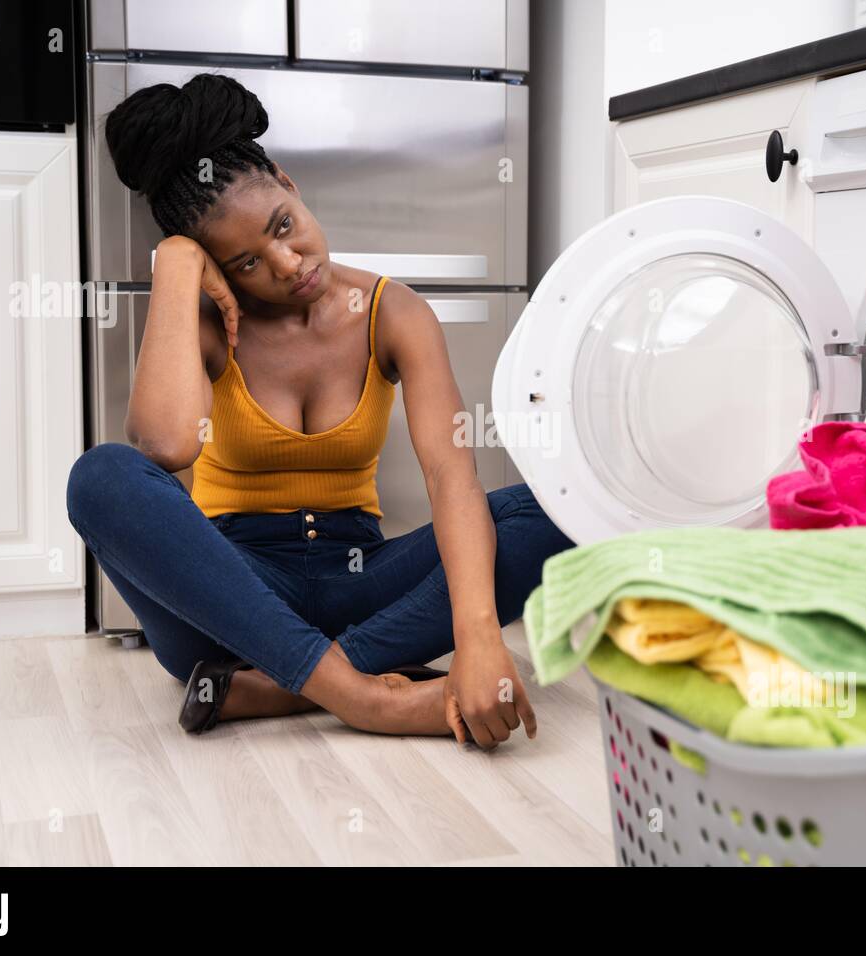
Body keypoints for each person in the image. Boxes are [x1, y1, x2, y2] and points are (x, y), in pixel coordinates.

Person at [65, 74, 573, 749]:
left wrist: (479, 636)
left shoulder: (395, 312)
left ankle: (275, 688)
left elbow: (453, 479)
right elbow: (163, 444)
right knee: (101, 478)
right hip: (232, 594)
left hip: (362, 578)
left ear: (288, 182)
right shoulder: (212, 324)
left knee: (553, 509)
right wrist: (177, 263)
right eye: (244, 262)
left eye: (283, 226)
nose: (286, 263)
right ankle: (361, 695)